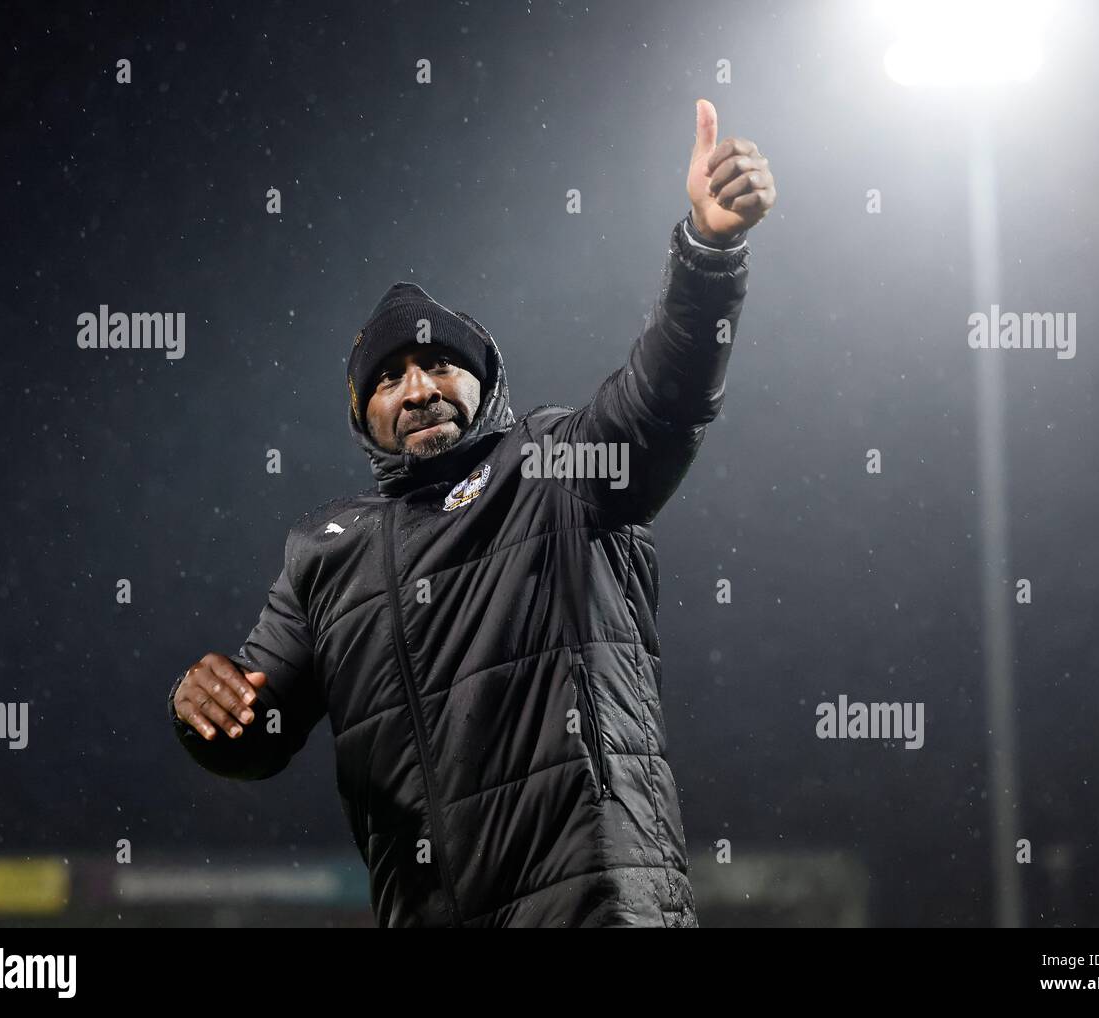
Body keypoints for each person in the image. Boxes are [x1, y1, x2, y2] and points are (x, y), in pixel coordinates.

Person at [167, 98, 776, 927]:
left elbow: (664, 401)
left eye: (440, 364)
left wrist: (707, 253)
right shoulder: (323, 551)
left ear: (485, 383)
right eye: (388, 377)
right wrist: (204, 709)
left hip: (595, 908)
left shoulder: (555, 463)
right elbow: (256, 725)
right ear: (363, 413)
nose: (416, 388)